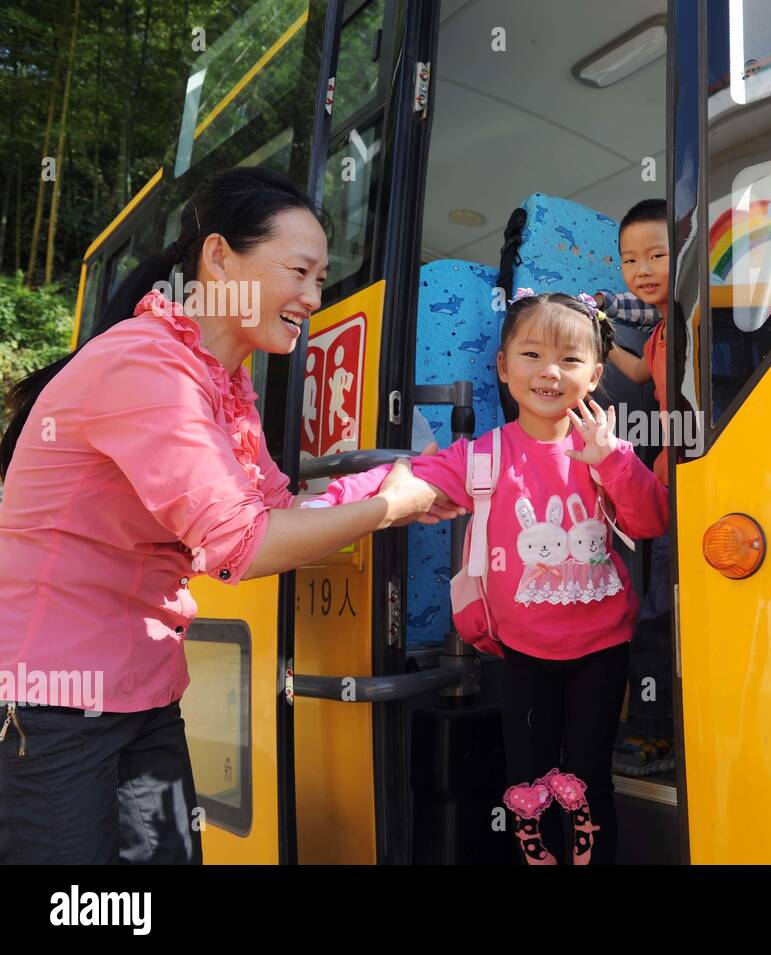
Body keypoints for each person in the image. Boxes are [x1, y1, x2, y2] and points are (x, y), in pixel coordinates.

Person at [0, 167, 461, 864]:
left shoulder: (223, 383)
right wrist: (387, 504)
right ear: (219, 257)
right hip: (50, 706)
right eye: (300, 272)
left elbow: (276, 509)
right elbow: (242, 544)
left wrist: (397, 495)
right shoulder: (147, 365)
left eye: (320, 277)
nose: (313, 297)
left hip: (139, 693)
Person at [303, 291, 668, 864]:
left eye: (569, 360)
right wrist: (324, 505)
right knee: (529, 783)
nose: (549, 372)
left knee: (591, 785)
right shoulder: (483, 457)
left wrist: (613, 462)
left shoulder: (606, 451)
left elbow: (650, 521)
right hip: (522, 654)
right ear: (502, 366)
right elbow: (397, 481)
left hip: (603, 649)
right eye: (530, 355)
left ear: (596, 375)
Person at [595, 199, 677, 776]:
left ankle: (653, 732)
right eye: (629, 259)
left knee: (660, 613)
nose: (641, 269)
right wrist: (601, 344)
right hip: (667, 491)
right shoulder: (664, 329)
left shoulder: (701, 317)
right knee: (657, 607)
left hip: (695, 487)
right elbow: (645, 374)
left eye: (657, 254)